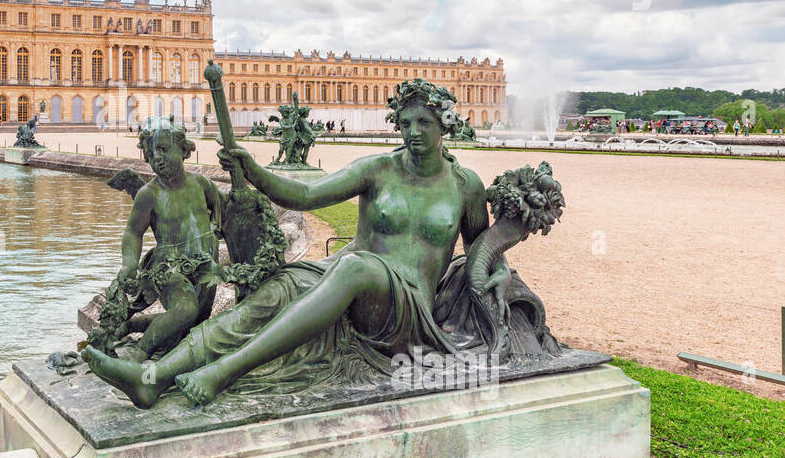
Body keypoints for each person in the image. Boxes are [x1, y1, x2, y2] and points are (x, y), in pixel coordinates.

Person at [83, 78, 511, 407]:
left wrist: (501, 266)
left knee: (353, 267)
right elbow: (305, 197)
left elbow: (479, 248)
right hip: (348, 281)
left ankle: (225, 371)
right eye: (406, 122)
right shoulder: (378, 169)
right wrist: (253, 171)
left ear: (445, 125)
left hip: (405, 311)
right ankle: (153, 377)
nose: (413, 131)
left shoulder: (465, 186)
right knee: (273, 292)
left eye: (425, 123)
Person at [100, 117, 223, 363]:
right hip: (168, 266)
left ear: (184, 149)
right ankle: (139, 352)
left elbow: (225, 211)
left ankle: (135, 325)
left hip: (205, 265)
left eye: (164, 149)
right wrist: (129, 263)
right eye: (151, 152)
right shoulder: (149, 194)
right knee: (185, 309)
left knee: (194, 322)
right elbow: (133, 232)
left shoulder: (202, 184)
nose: (157, 157)